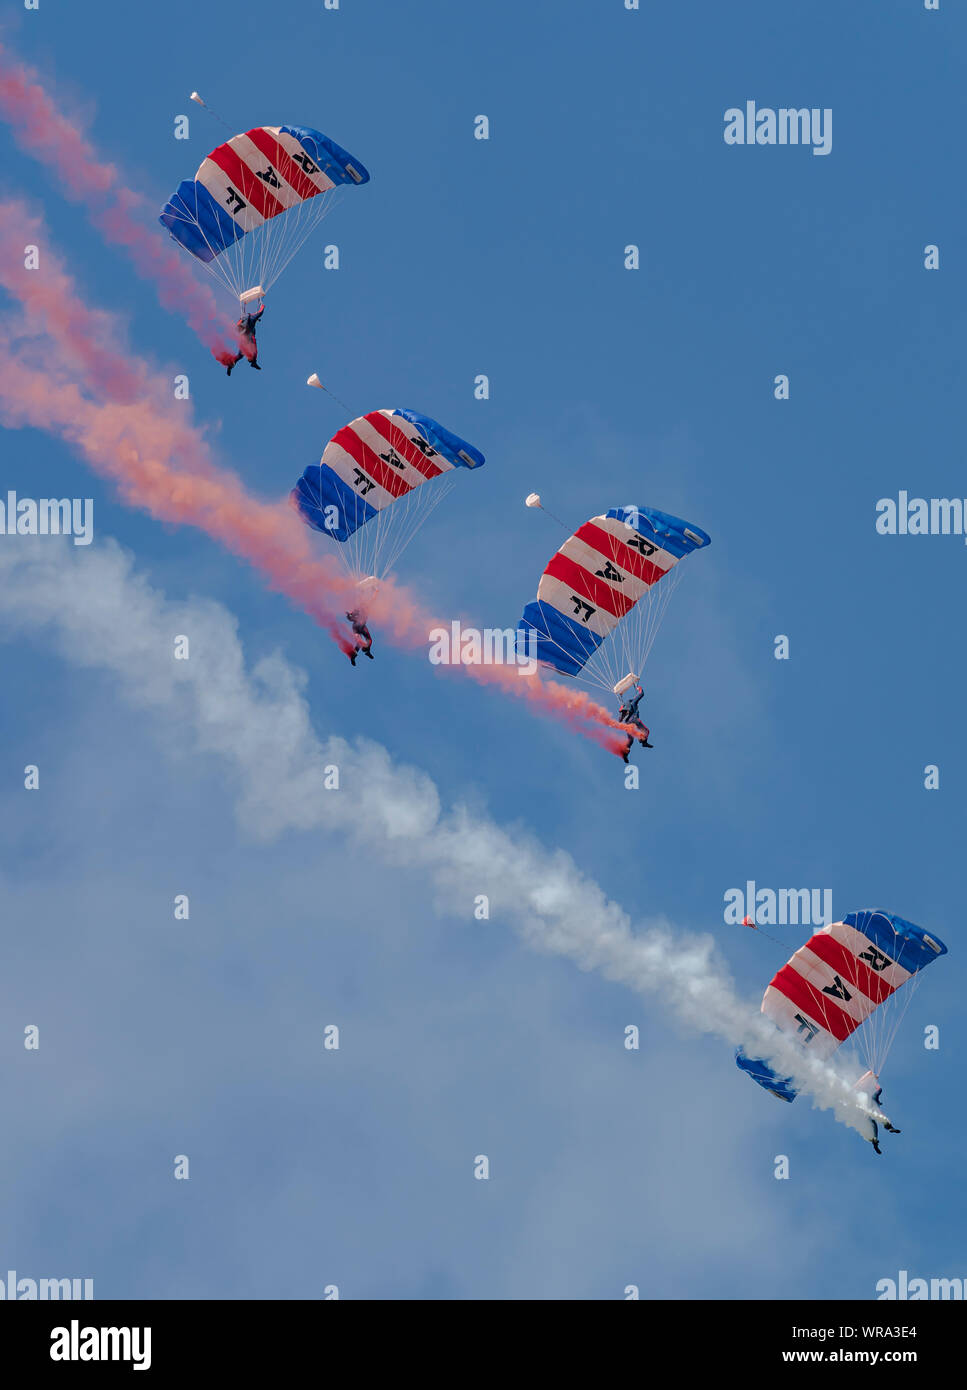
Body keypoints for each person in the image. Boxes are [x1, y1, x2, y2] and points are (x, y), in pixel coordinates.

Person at [226, 302, 265, 375]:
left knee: (241, 355)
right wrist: (262, 306)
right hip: (247, 339)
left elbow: (259, 313)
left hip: (245, 339)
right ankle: (252, 362)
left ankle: (232, 365)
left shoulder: (248, 320)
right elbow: (260, 312)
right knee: (251, 350)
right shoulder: (250, 319)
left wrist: (262, 306)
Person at [618, 683, 653, 752]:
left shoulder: (623, 709)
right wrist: (639, 688)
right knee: (646, 731)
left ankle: (625, 751)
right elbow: (641, 694)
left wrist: (621, 710)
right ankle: (644, 742)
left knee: (630, 740)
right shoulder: (633, 702)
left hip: (627, 724)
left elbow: (619, 721)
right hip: (634, 720)